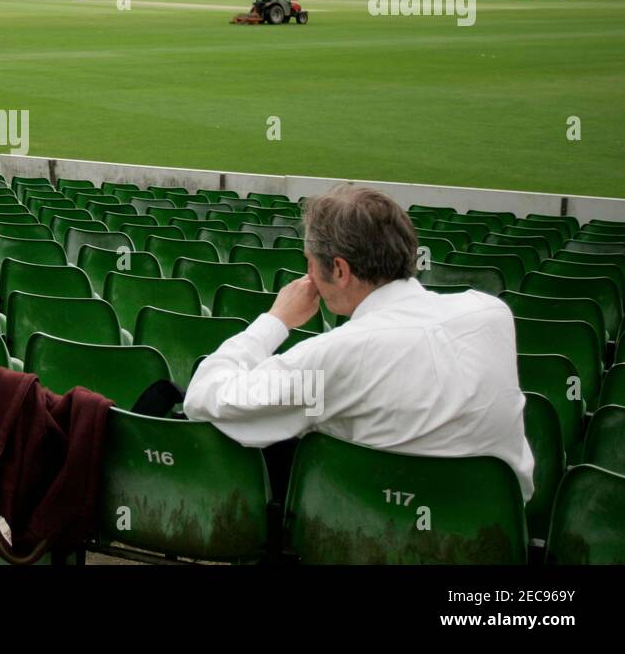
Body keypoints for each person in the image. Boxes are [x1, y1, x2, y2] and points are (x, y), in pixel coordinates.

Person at [182, 184, 535, 501]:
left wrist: (275, 321)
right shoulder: (492, 314)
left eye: (309, 264)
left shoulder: (337, 355)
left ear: (339, 270)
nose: (308, 277)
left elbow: (203, 398)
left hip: (379, 527)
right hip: (494, 530)